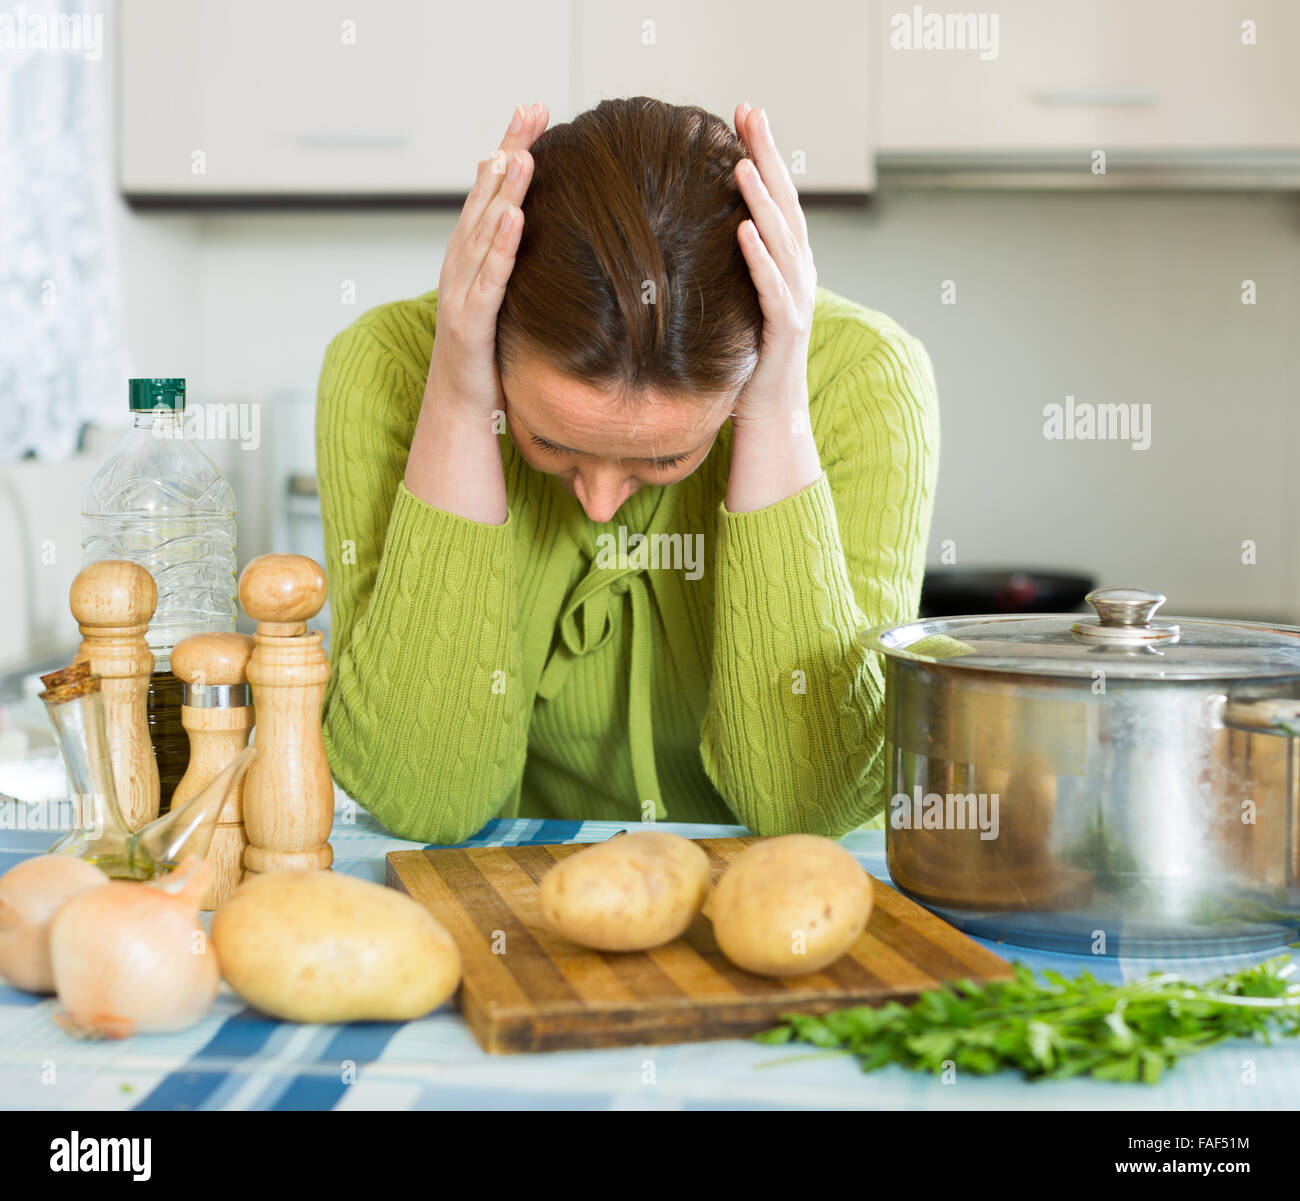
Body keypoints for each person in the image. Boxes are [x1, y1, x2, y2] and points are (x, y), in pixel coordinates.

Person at [315, 97, 939, 843]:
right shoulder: (387, 369)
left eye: (666, 457)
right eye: (548, 443)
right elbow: (423, 799)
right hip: (509, 901)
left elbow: (809, 807)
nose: (601, 503)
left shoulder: (866, 379)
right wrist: (455, 392)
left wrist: (775, 412)